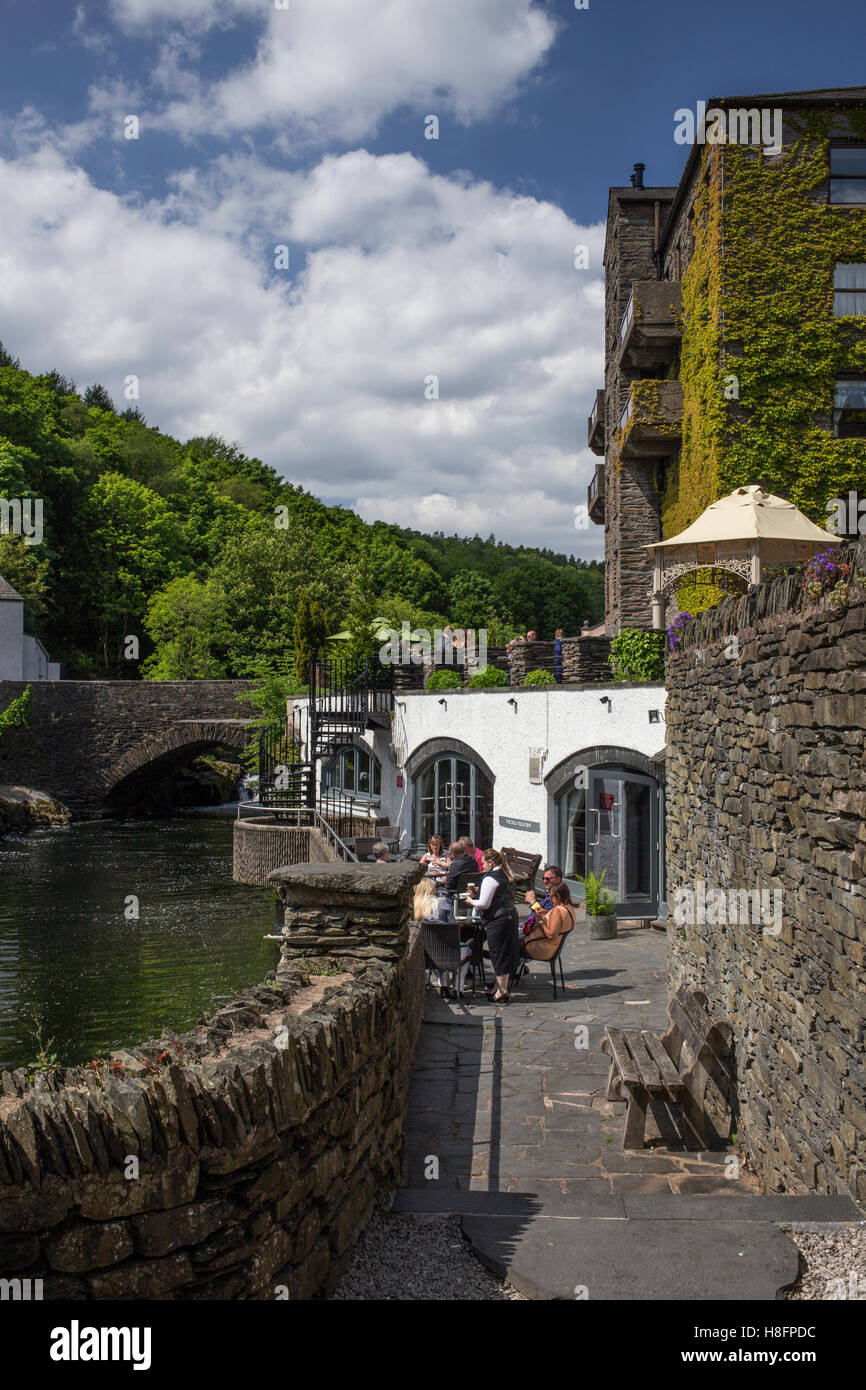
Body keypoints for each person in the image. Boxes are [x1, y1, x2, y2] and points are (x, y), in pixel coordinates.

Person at [467, 848, 519, 1003]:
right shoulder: (505, 874)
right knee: (505, 953)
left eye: (483, 863)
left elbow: (483, 904)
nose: (482, 866)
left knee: (499, 955)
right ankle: (497, 987)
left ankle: (502, 992)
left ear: (490, 862)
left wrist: (471, 901)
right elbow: (499, 895)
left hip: (498, 921)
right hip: (510, 917)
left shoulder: (490, 878)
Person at [523, 882, 576, 961]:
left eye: (551, 896)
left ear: (558, 896)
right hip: (553, 948)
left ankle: (514, 970)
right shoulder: (570, 909)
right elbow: (558, 922)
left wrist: (540, 921)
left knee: (511, 942)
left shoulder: (557, 911)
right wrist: (546, 913)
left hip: (542, 949)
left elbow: (551, 935)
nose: (550, 899)